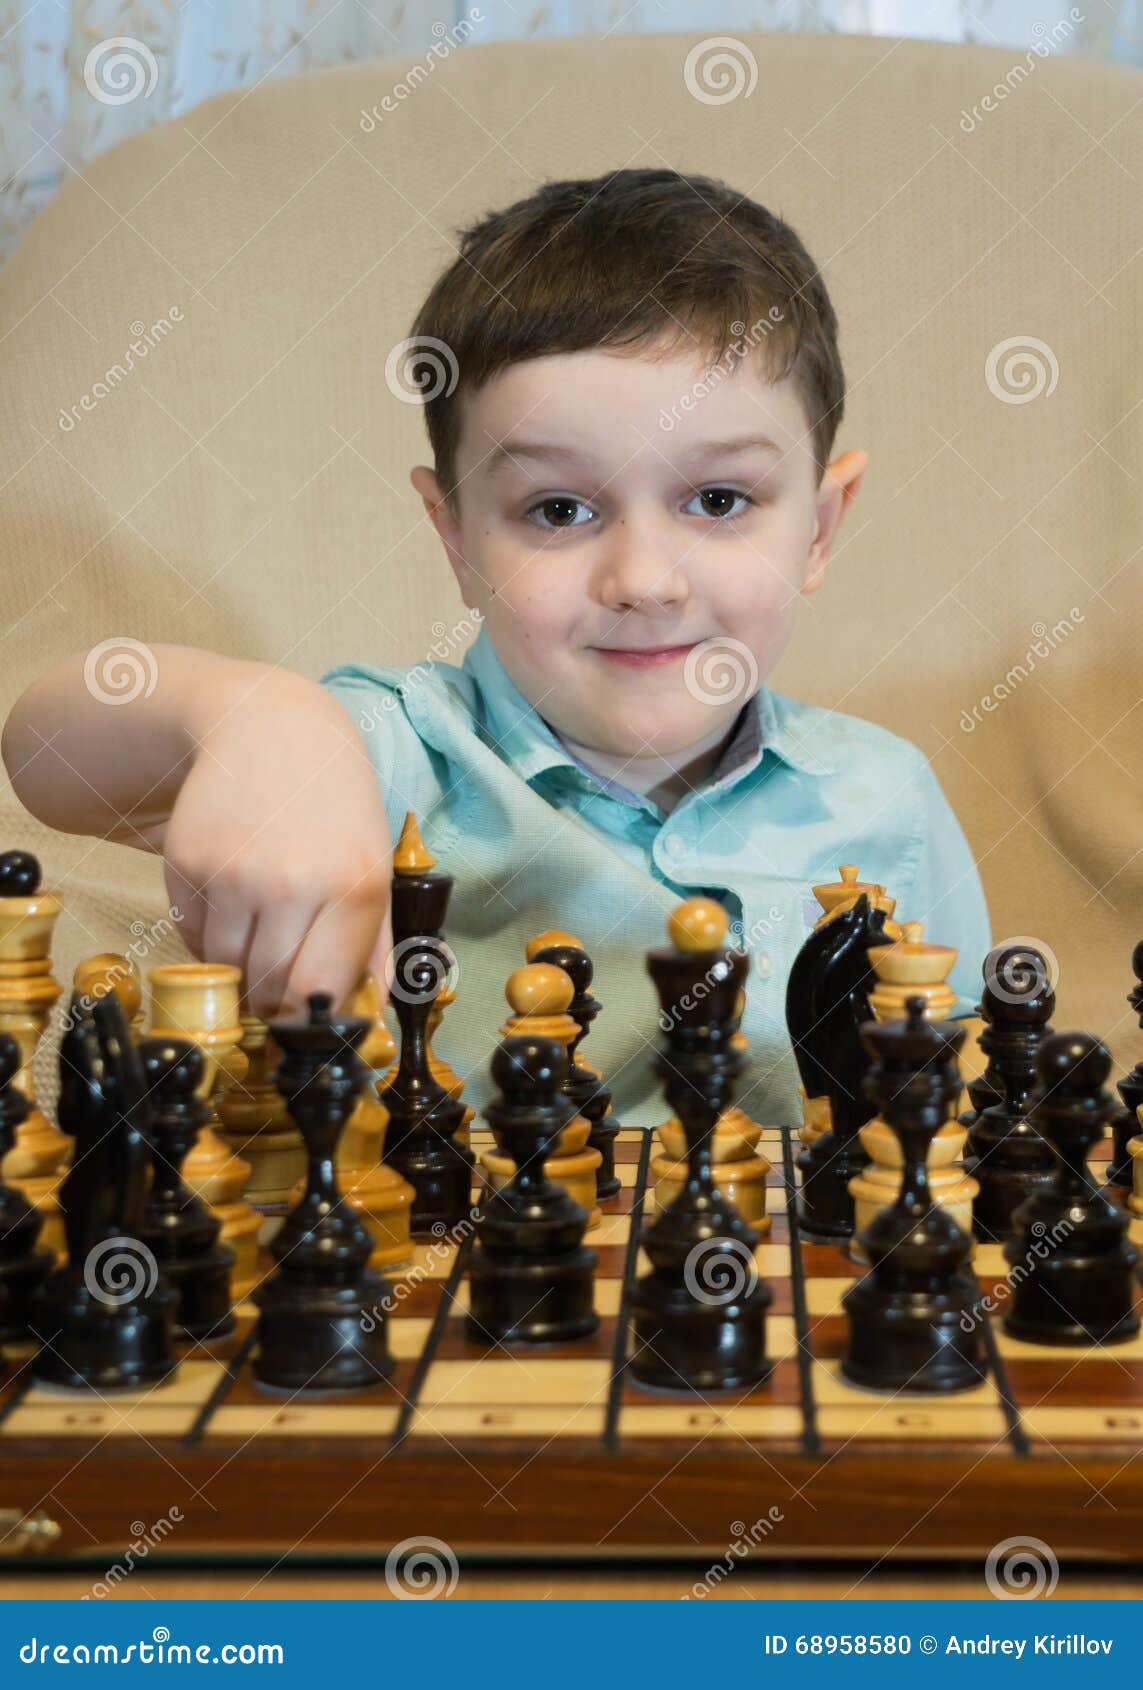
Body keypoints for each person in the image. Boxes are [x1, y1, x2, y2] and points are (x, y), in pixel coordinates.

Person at [2, 168, 989, 1128]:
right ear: (457, 539)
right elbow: (42, 750)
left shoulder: (887, 802)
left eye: (719, 500)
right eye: (558, 509)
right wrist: (248, 715)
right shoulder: (372, 757)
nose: (643, 579)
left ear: (819, 527)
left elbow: (964, 1102)